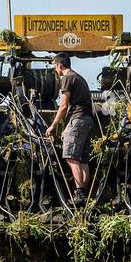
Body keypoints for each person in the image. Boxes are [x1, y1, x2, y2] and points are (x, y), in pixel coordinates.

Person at [48, 54, 96, 203]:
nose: (55, 70)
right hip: (88, 120)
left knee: (70, 156)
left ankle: (79, 193)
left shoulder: (67, 78)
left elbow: (63, 106)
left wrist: (53, 125)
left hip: (78, 119)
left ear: (60, 65)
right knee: (83, 159)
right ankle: (84, 195)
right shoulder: (79, 78)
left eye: (55, 66)